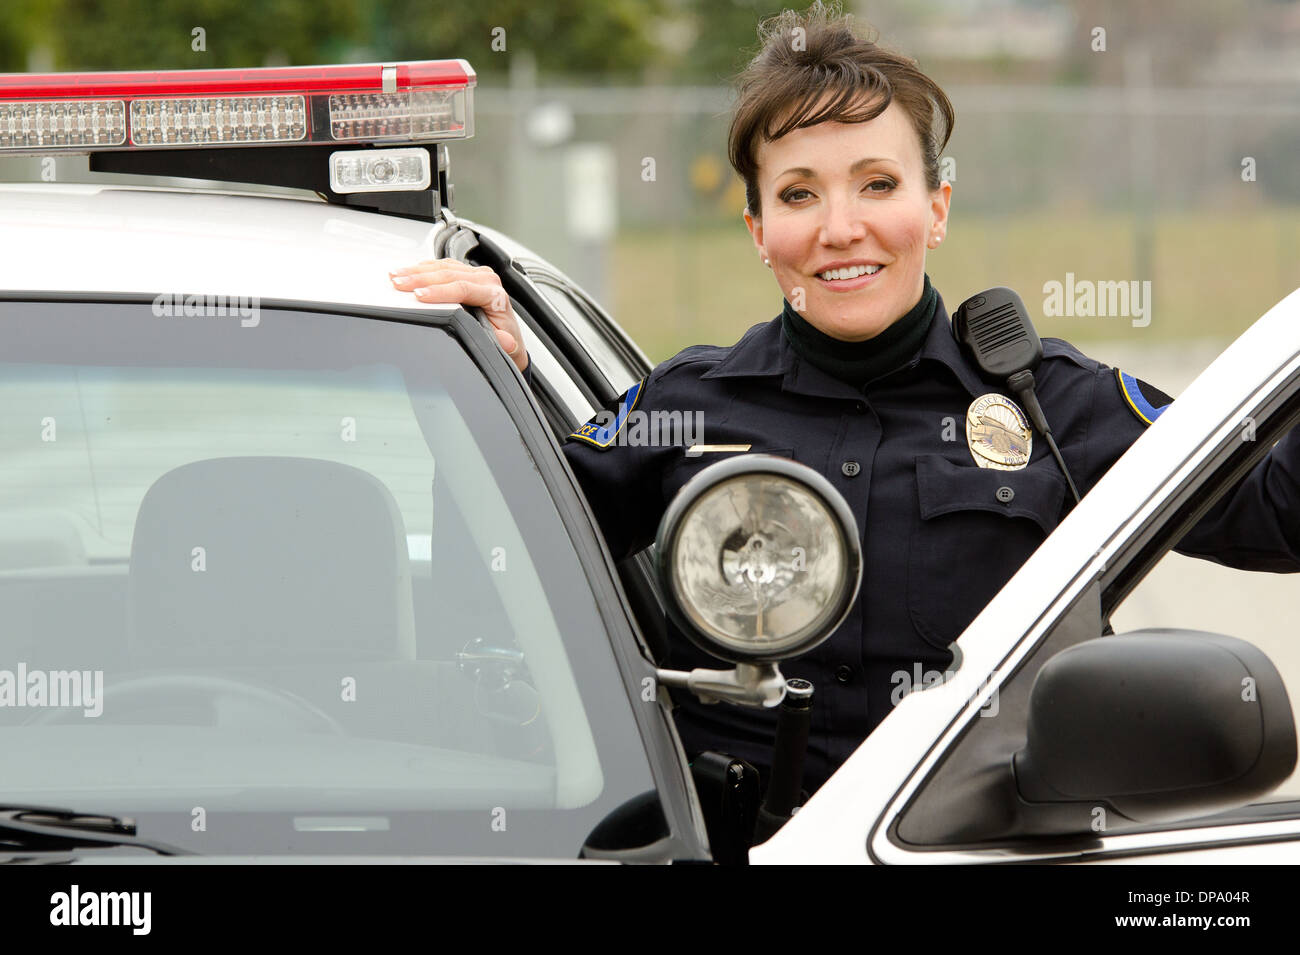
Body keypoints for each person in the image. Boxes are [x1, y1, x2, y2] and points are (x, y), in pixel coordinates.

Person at [388, 2, 1300, 795]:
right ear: (758, 229)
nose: (840, 228)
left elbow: (1280, 514)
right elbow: (491, 580)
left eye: (878, 183)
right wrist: (485, 396)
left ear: (936, 207)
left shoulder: (1058, 406)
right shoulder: (682, 406)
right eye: (798, 194)